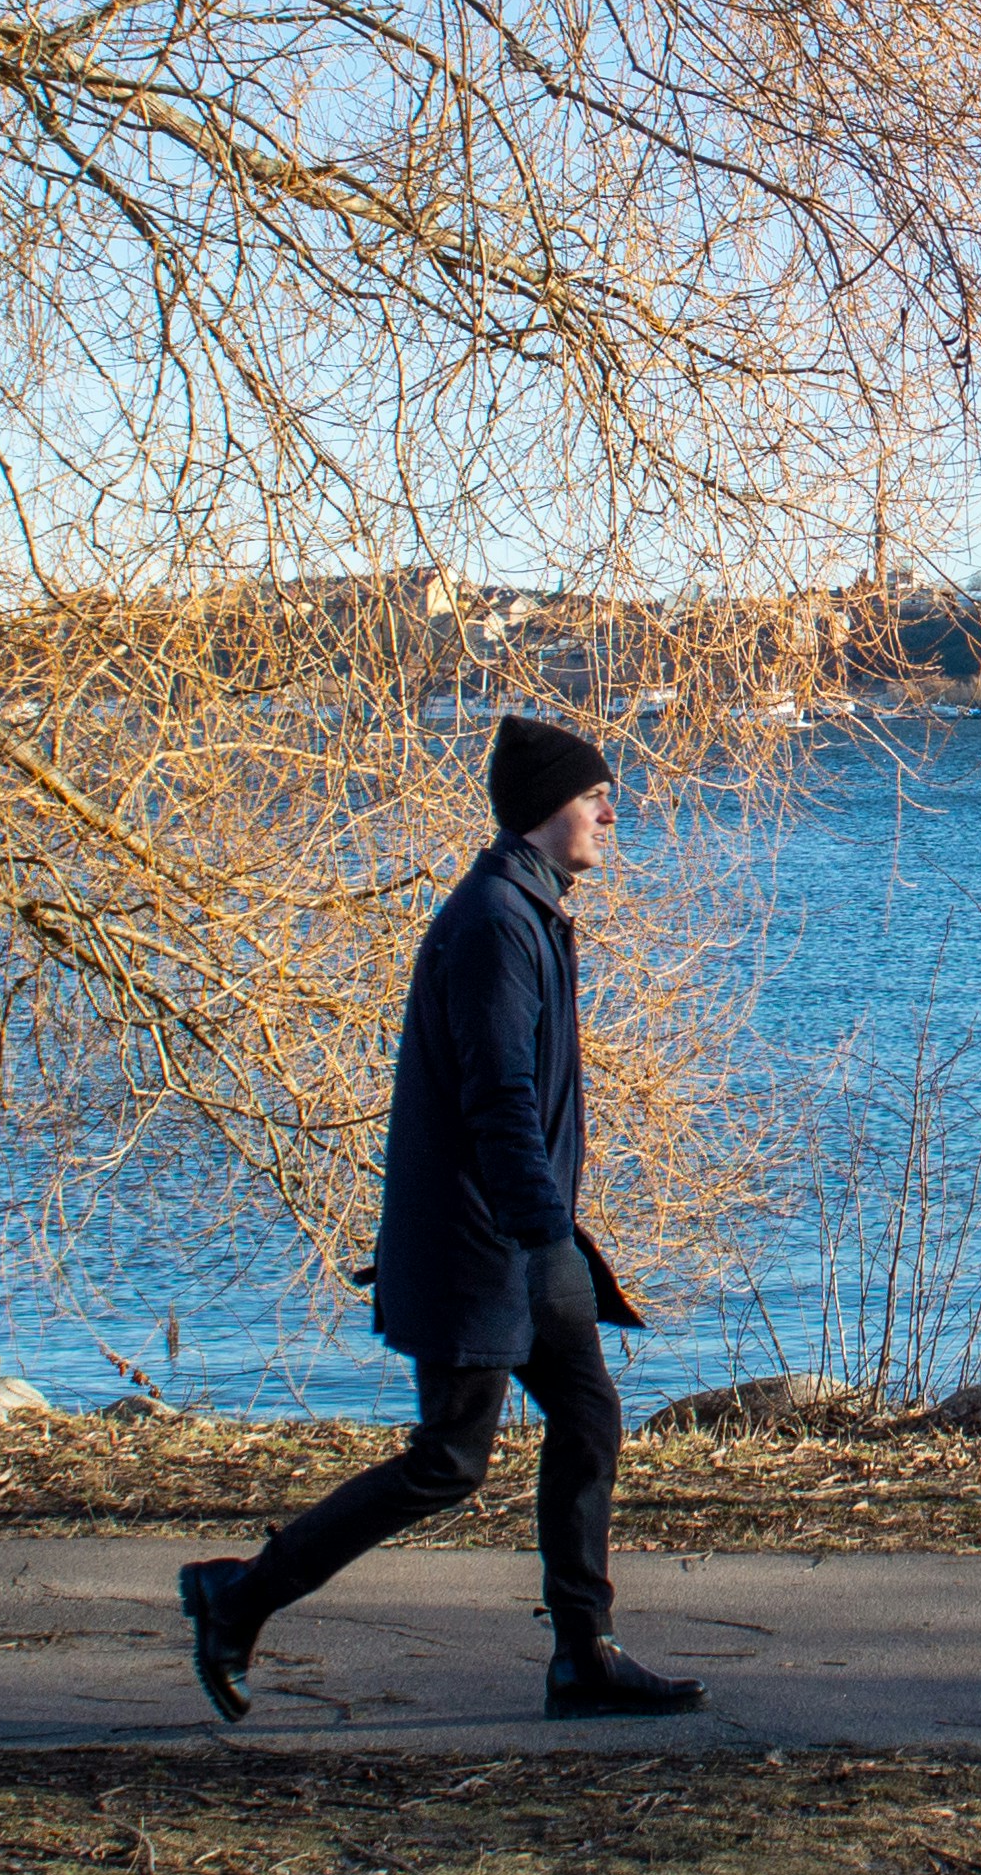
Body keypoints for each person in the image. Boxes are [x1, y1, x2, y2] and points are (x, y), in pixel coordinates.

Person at [181, 712, 705, 1723]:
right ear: (544, 808)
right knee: (450, 1461)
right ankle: (235, 1595)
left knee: (587, 1417)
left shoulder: (529, 909)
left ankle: (582, 1652)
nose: (610, 810)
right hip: (485, 1245)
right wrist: (540, 1230)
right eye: (595, 794)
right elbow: (497, 1093)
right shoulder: (494, 926)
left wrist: (543, 1230)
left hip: (515, 1236)